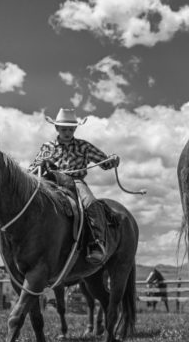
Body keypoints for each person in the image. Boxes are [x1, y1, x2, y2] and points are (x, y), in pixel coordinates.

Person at [28, 108, 120, 265]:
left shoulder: (84, 146)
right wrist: (41, 164)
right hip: (51, 182)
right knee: (28, 201)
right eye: (64, 129)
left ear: (75, 129)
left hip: (75, 182)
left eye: (70, 129)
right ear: (57, 128)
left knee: (91, 203)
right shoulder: (47, 147)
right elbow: (32, 169)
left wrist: (113, 160)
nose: (67, 132)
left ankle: (96, 243)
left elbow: (104, 163)